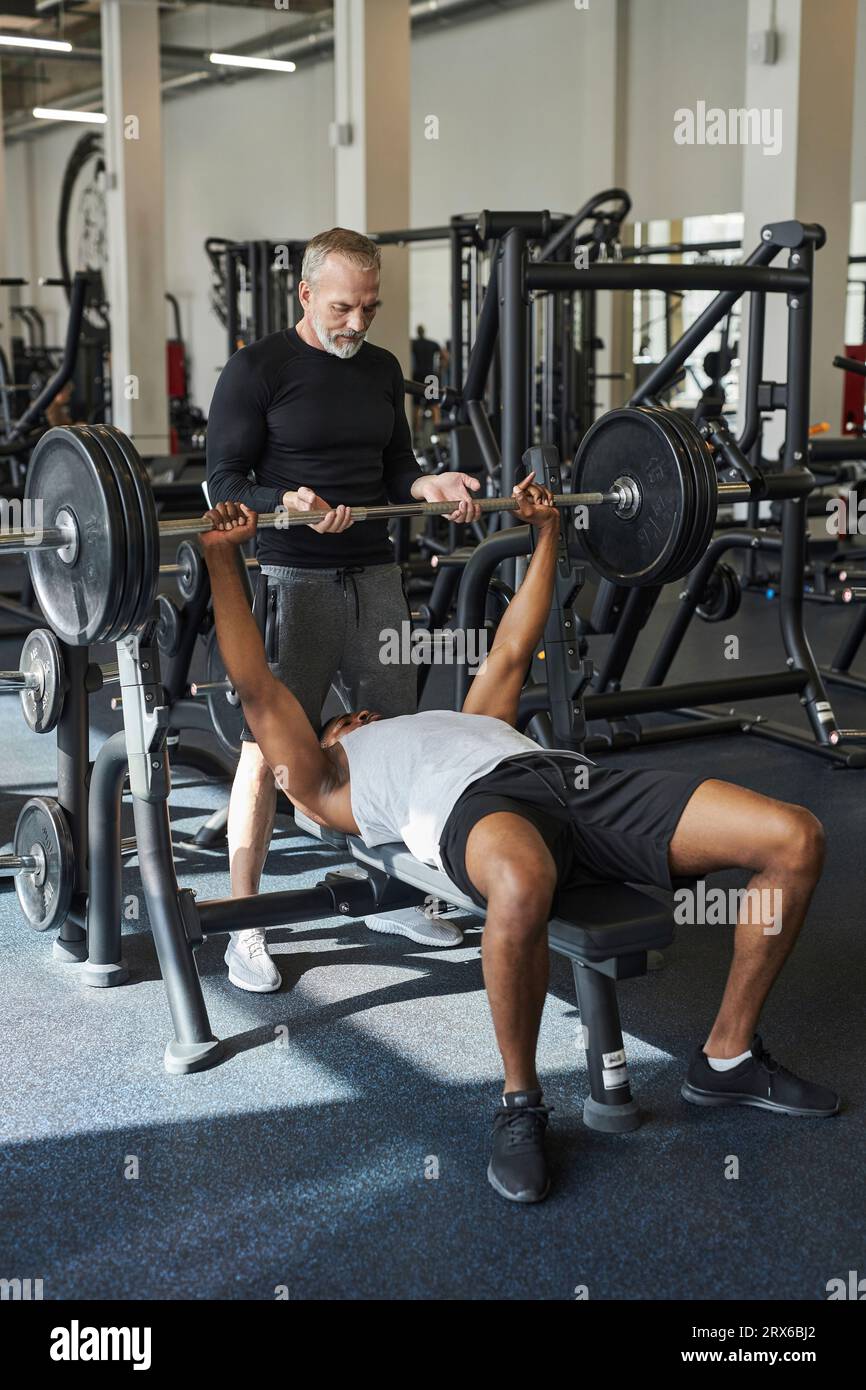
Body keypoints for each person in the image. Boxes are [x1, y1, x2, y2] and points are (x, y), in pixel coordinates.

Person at [199, 484, 838, 1205]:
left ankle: (727, 1056)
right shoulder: (324, 780)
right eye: (345, 720)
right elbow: (256, 687)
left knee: (794, 836)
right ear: (323, 744)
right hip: (475, 809)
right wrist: (225, 560)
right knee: (523, 882)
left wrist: (546, 535)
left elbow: (511, 648)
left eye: (364, 711)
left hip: (573, 783)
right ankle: (520, 1101)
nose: (362, 713)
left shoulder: (463, 719)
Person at [206, 228, 481, 992]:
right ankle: (244, 920)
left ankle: (392, 887)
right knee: (271, 750)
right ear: (304, 296)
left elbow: (396, 464)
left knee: (392, 732)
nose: (357, 323)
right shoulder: (258, 368)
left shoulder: (384, 368)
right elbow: (221, 482)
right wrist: (280, 501)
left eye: (370, 307)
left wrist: (426, 487)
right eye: (341, 308)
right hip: (297, 574)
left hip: (378, 570)